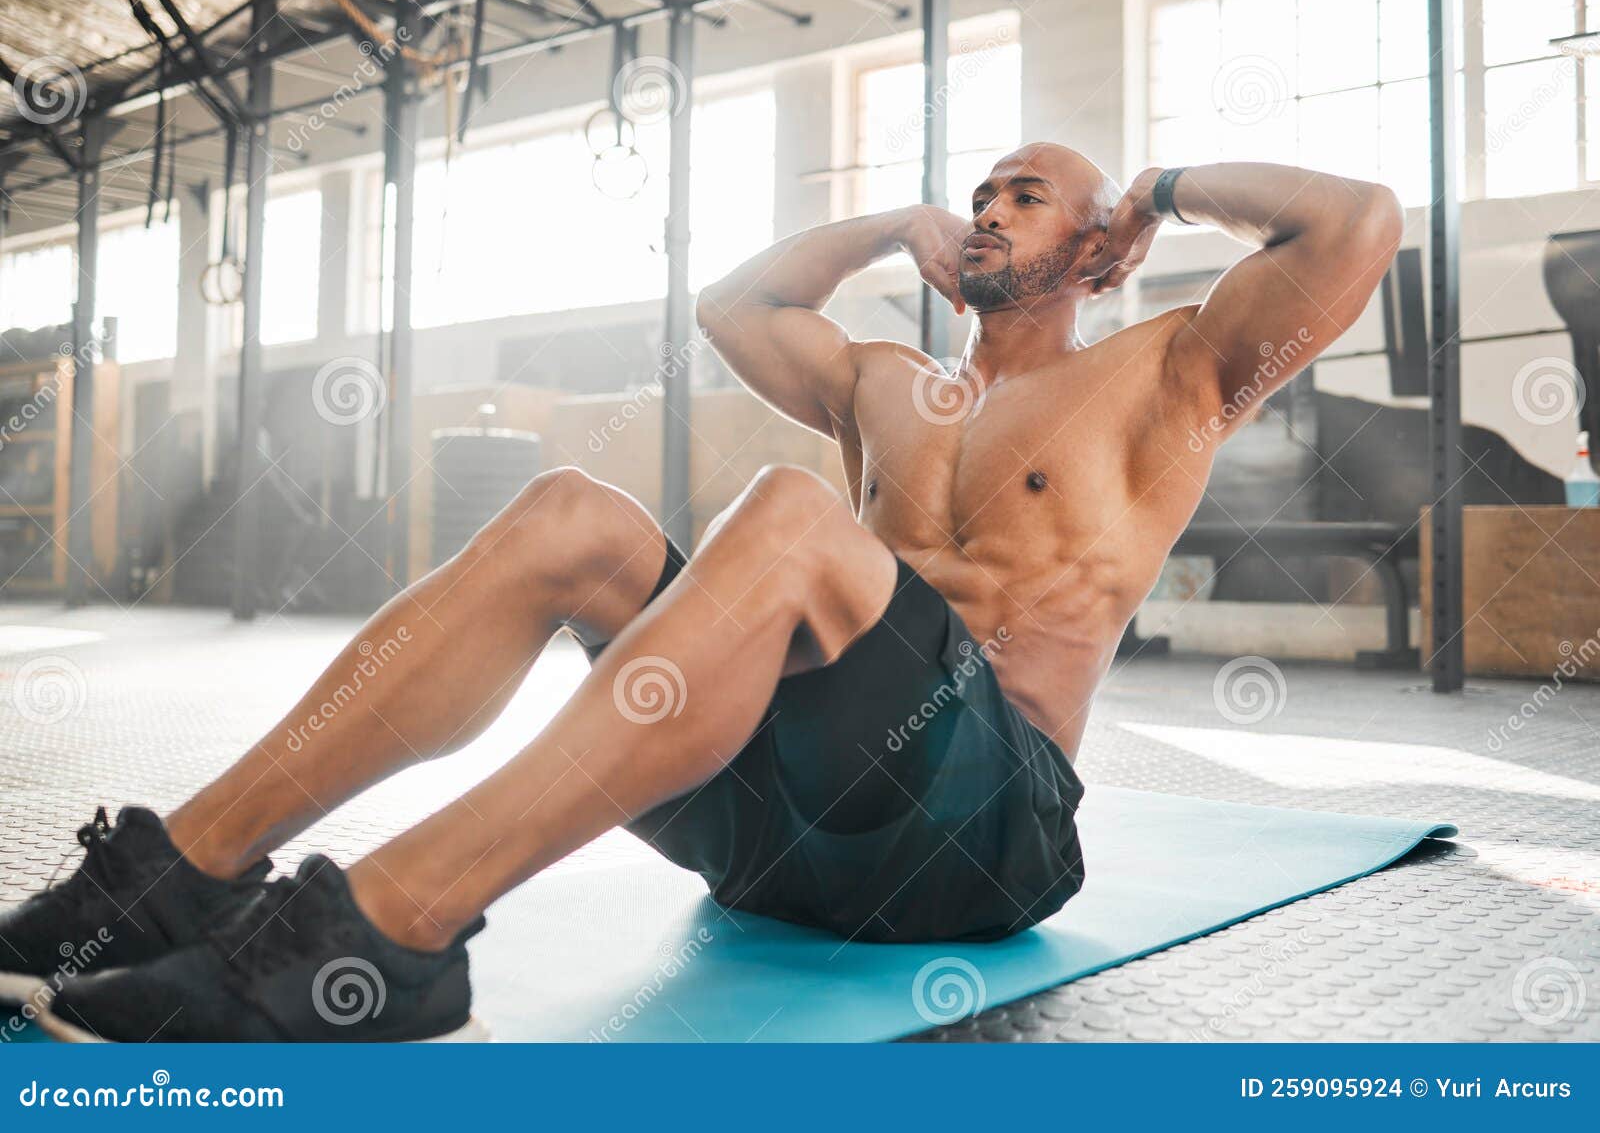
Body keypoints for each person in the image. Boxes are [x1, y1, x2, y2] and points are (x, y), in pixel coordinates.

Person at [2, 146, 1401, 1041]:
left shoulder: (1171, 376)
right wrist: (879, 225)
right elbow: (731, 308)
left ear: (1093, 241)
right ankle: (171, 878)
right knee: (570, 517)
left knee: (790, 520)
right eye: (977, 193)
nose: (985, 209)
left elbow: (1355, 217)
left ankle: (381, 938)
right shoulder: (886, 386)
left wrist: (1155, 193)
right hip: (775, 824)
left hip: (972, 841)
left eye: (1021, 194)